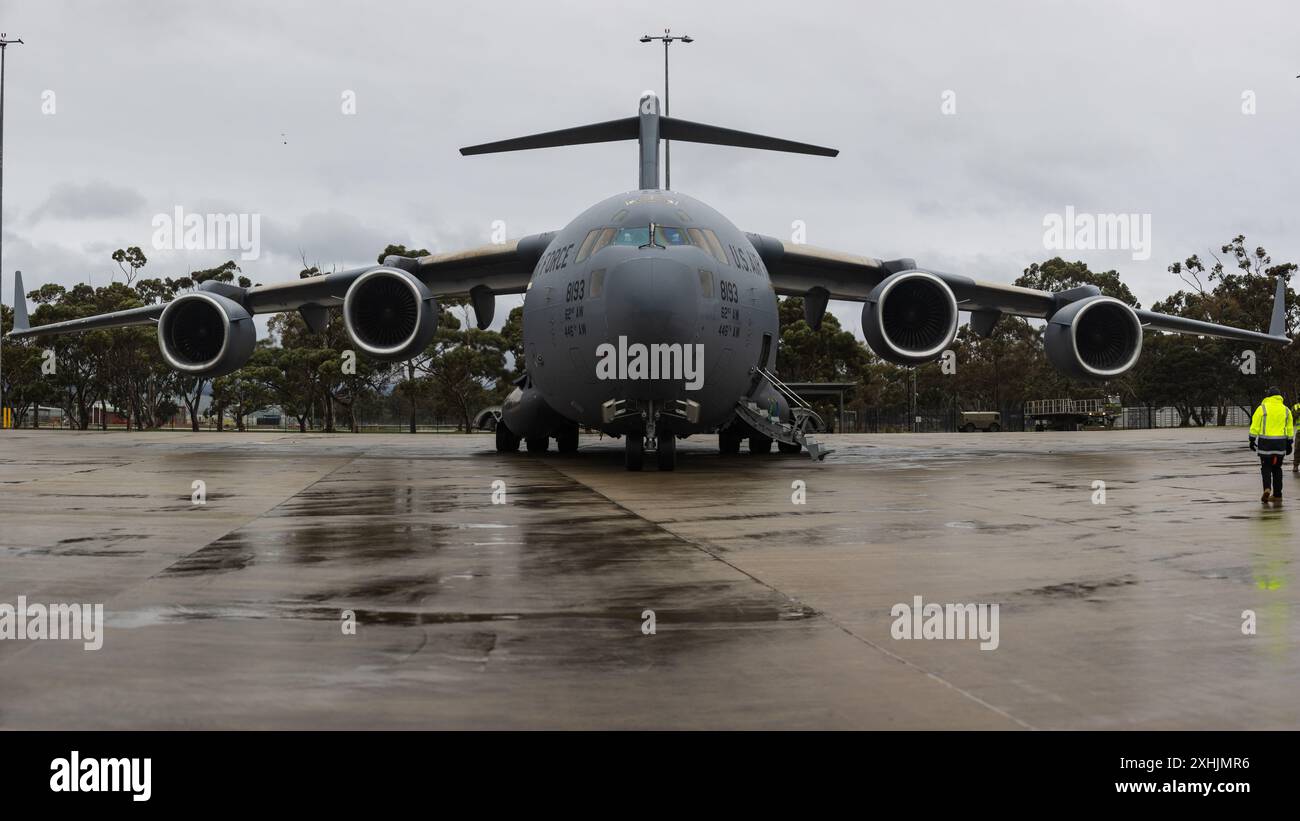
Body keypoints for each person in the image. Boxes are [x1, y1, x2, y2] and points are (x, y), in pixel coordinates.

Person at [1250, 387, 1294, 502]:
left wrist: (1251, 439)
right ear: (1279, 397)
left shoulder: (1262, 408)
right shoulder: (1286, 410)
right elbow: (1289, 428)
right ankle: (1278, 494)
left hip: (1266, 444)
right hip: (1280, 444)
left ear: (1268, 396)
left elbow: (1255, 425)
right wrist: (1289, 443)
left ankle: (1267, 489)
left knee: (1266, 467)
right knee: (1277, 468)